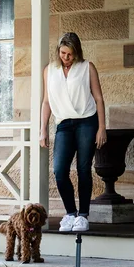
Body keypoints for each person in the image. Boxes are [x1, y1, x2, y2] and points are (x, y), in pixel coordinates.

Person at [39, 32, 107, 233]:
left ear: (76, 52)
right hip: (63, 124)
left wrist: (101, 127)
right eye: (62, 53)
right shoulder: (50, 70)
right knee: (59, 170)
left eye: (69, 54)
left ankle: (83, 215)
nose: (65, 57)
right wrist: (43, 129)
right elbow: (46, 101)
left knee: (84, 169)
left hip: (87, 121)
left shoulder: (87, 68)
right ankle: (70, 213)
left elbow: (99, 98)